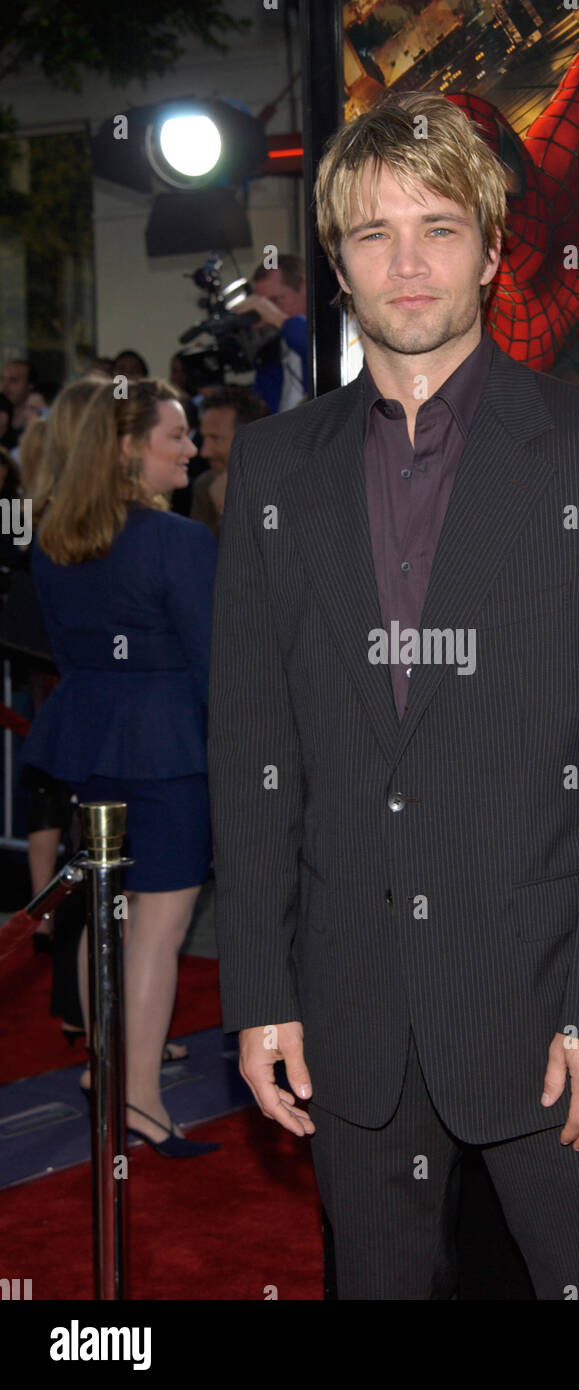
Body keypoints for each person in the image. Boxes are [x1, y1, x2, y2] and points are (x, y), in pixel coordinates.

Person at [208, 91, 579, 1297]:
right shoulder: (275, 465)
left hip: (554, 1016)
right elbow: (253, 745)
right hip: (350, 1012)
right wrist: (261, 991)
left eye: (436, 228)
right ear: (337, 265)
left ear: (487, 254)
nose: (406, 261)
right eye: (374, 235)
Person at [22, 378, 219, 1157]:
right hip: (171, 750)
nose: (193, 449)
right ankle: (137, 1100)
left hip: (91, 743)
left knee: (107, 910)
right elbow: (215, 668)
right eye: (176, 436)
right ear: (132, 449)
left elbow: (68, 656)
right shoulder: (181, 543)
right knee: (155, 929)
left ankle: (106, 1073)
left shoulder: (55, 539)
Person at [189, 385, 268, 538]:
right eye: (204, 438)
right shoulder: (205, 485)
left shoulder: (289, 488)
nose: (204, 452)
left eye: (215, 438)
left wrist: (228, 511)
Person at [233, 255, 309, 412]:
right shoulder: (270, 353)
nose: (266, 312)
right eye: (263, 304)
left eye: (276, 300)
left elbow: (320, 348)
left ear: (304, 288)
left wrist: (280, 320)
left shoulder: (339, 327)